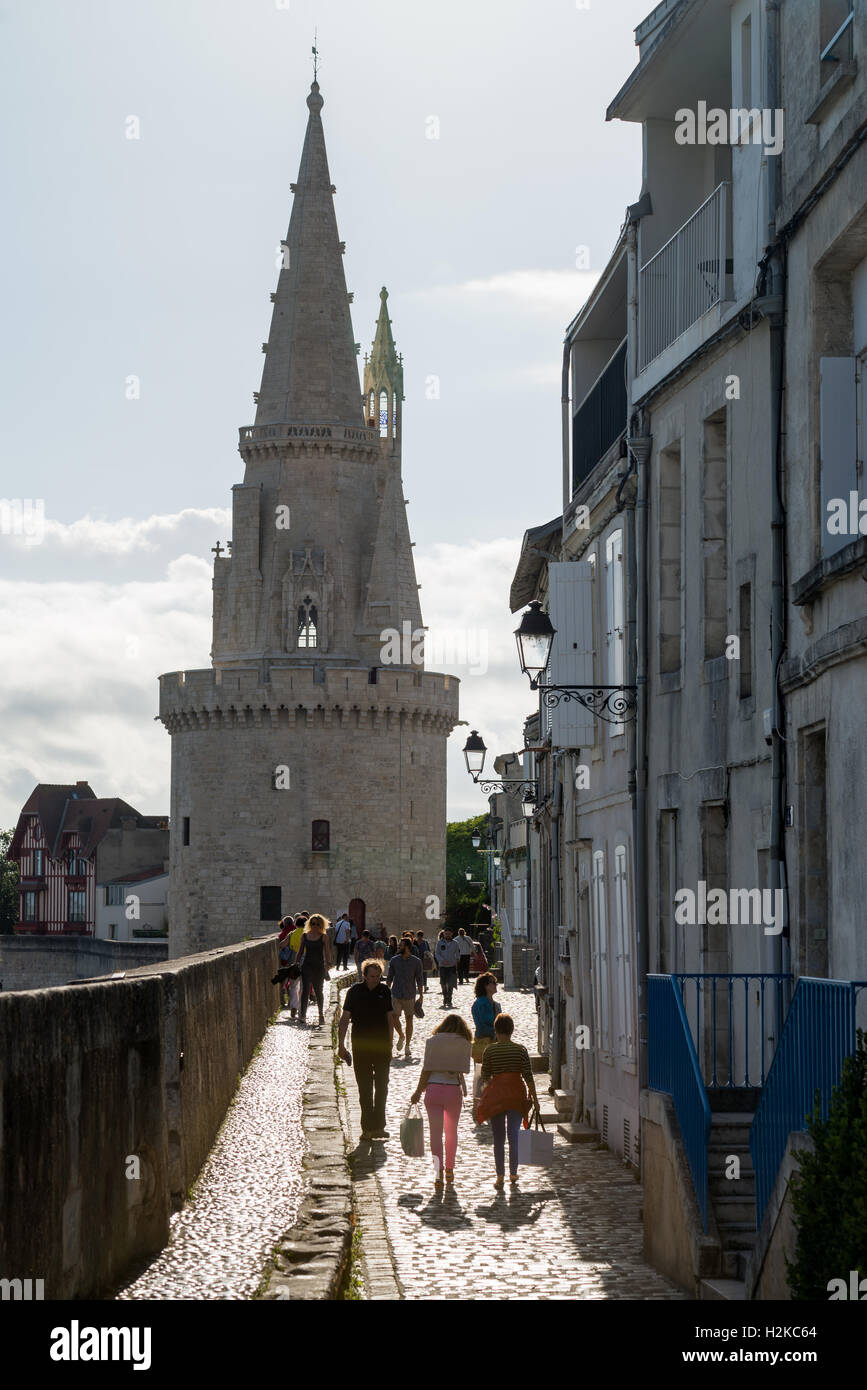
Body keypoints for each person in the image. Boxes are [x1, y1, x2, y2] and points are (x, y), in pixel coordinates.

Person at [410, 1014, 472, 1187]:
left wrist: (417, 1091)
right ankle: (450, 1170)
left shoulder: (433, 1042)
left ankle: (438, 1173)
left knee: (435, 1135)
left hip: (434, 1090)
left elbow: (426, 1070)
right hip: (453, 1091)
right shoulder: (463, 1043)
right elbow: (464, 1069)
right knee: (451, 1132)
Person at [479, 1013, 540, 1189]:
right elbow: (528, 1076)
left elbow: (485, 1077)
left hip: (497, 1095)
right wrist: (535, 1099)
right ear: (512, 1031)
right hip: (516, 1094)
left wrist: (487, 1093)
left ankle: (500, 1176)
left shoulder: (490, 1051)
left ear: (496, 1030)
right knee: (513, 1135)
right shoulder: (520, 1050)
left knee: (498, 1138)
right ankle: (513, 1173)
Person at [338, 959, 397, 1141]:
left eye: (378, 977)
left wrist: (390, 1043)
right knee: (364, 1088)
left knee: (382, 1087)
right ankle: (367, 1128)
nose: (375, 980)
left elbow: (390, 1018)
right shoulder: (354, 992)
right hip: (361, 1045)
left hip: (381, 1046)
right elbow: (345, 1018)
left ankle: (379, 1126)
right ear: (364, 975)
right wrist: (341, 1044)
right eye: (371, 976)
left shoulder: (384, 991)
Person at [386, 935, 424, 1057]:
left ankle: (407, 1045)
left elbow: (419, 979)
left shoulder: (416, 962)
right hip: (396, 993)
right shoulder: (394, 960)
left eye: (401, 945)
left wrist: (421, 995)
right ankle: (401, 1035)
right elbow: (390, 977)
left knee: (409, 1019)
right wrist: (387, 990)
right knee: (394, 1017)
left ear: (407, 947)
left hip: (410, 994)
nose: (398, 947)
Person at [295, 913, 332, 1027]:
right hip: (307, 966)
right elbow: (300, 951)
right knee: (305, 991)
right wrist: (296, 964)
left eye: (317, 923)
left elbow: (327, 952)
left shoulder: (323, 936)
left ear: (321, 925)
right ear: (310, 924)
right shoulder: (305, 935)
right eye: (313, 923)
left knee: (318, 991)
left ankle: (321, 1014)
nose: (315, 925)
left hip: (319, 967)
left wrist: (328, 965)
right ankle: (302, 1016)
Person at [470, 971, 501, 1098]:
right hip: (485, 1042)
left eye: (495, 983)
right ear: (485, 986)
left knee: (486, 1073)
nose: (495, 985)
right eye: (492, 983)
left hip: (492, 1041)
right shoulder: (481, 1003)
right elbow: (482, 1026)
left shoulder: (493, 1003)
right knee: (483, 1073)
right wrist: (496, 1033)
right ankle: (481, 1098)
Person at [434, 927, 461, 1008]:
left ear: (452, 934)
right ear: (444, 934)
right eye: (446, 934)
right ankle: (445, 996)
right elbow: (437, 953)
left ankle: (449, 999)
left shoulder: (455, 943)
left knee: (451, 983)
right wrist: (442, 960)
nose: (447, 935)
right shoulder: (440, 943)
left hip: (452, 966)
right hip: (442, 966)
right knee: (443, 983)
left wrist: (457, 960)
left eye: (449, 934)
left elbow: (457, 953)